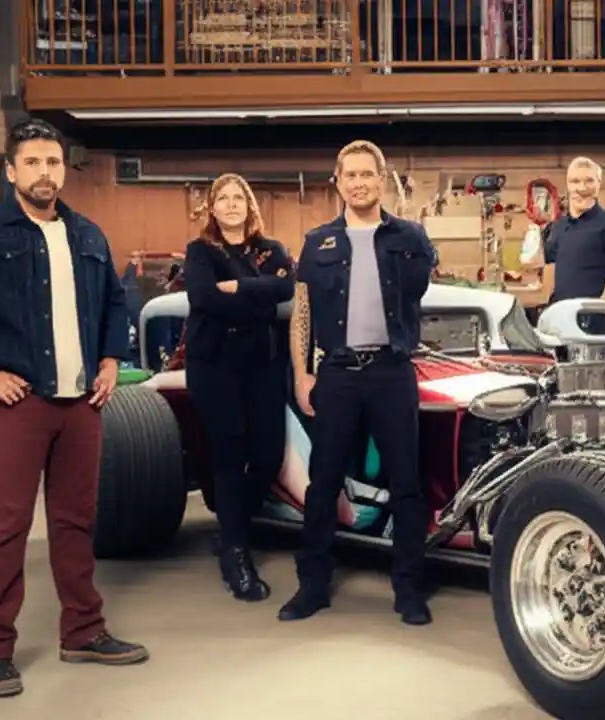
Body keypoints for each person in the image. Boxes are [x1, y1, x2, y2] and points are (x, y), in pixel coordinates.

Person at [0, 118, 148, 699]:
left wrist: (108, 360)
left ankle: (83, 630)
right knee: (9, 526)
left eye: (52, 162)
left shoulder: (88, 234)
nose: (45, 173)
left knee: (76, 523)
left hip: (81, 404)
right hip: (20, 401)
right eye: (32, 163)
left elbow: (115, 304)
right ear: (11, 170)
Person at [281, 139, 436, 626]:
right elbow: (301, 314)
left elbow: (418, 292)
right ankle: (312, 585)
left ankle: (409, 588)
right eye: (350, 175)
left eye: (367, 174)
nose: (359, 183)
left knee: (407, 484)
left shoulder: (409, 237)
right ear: (339, 181)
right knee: (323, 483)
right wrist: (302, 373)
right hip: (338, 374)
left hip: (392, 373)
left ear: (381, 178)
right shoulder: (318, 242)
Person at [183, 173, 296, 602]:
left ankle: (232, 525)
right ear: (211, 208)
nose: (231, 205)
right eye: (222, 199)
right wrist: (258, 296)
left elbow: (286, 286)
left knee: (267, 456)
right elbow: (203, 298)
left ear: (250, 205)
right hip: (215, 366)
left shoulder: (272, 250)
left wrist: (242, 287)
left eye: (238, 198)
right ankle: (236, 553)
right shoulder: (201, 252)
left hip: (263, 364)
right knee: (229, 456)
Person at [542, 156, 605, 304]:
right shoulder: (557, 227)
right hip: (560, 318)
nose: (582, 188)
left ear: (599, 184)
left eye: (589, 181)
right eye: (575, 181)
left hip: (595, 320)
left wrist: (598, 310)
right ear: (568, 185)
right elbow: (550, 275)